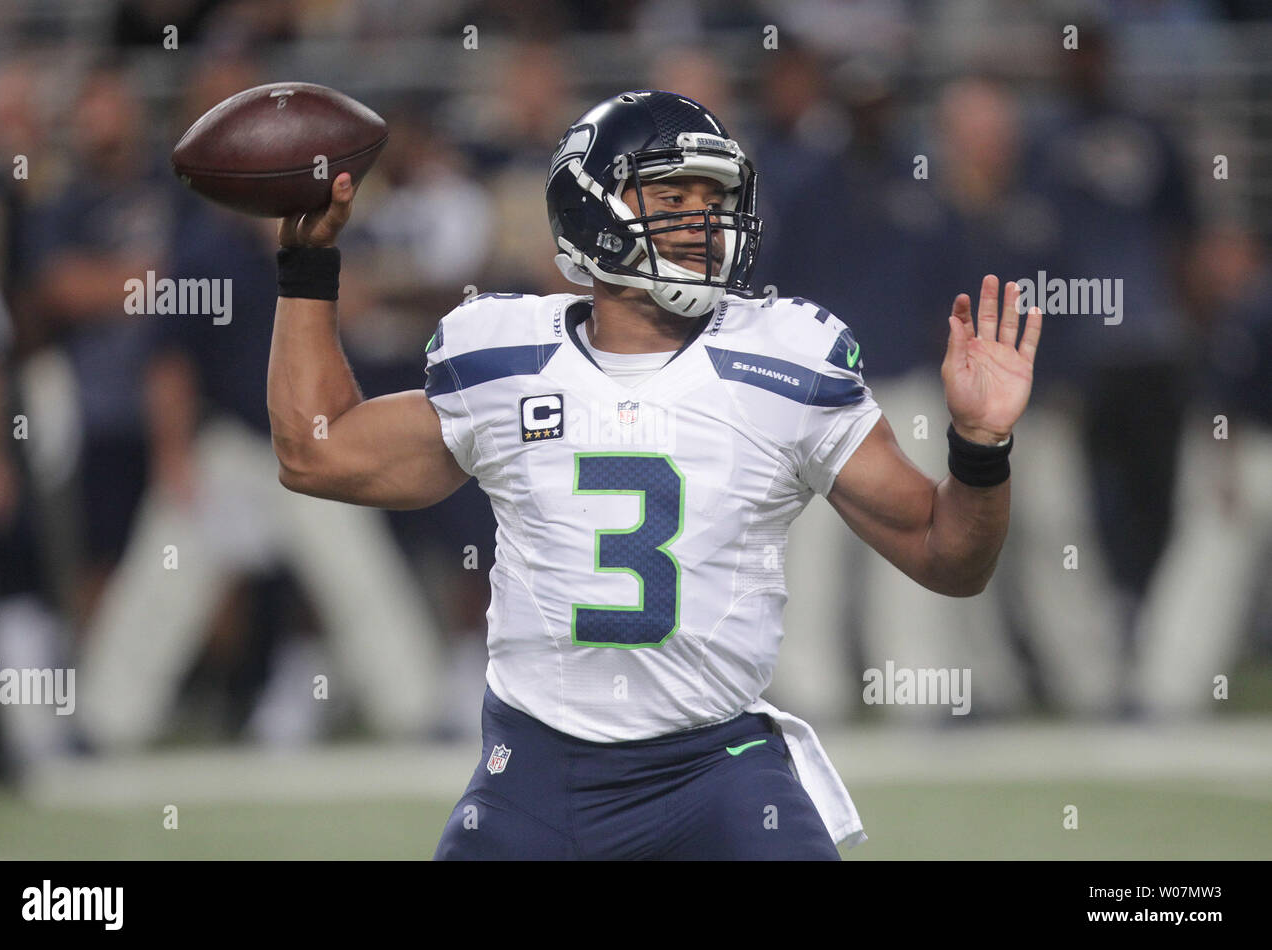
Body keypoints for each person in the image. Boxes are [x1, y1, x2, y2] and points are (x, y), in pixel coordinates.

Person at [266, 91, 1043, 860]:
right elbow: (316, 451)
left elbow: (949, 558)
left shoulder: (784, 358)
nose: (705, 223)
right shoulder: (501, 357)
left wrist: (979, 445)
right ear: (591, 208)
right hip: (536, 774)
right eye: (674, 197)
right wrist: (307, 265)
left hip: (716, 773)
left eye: (716, 199)